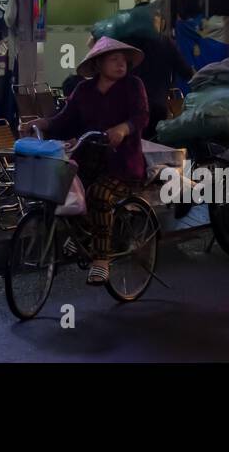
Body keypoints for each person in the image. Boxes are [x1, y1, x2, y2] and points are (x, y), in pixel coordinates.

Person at [37, 37, 149, 286]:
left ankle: (101, 259)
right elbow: (64, 119)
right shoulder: (84, 91)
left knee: (99, 195)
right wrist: (40, 123)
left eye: (124, 60)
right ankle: (85, 233)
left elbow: (141, 117)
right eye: (114, 59)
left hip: (124, 164)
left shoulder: (133, 85)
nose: (121, 65)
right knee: (66, 194)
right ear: (98, 64)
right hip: (87, 159)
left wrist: (122, 129)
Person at [131, 12, 194, 130]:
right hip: (158, 106)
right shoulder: (165, 43)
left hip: (132, 108)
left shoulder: (128, 44)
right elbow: (186, 72)